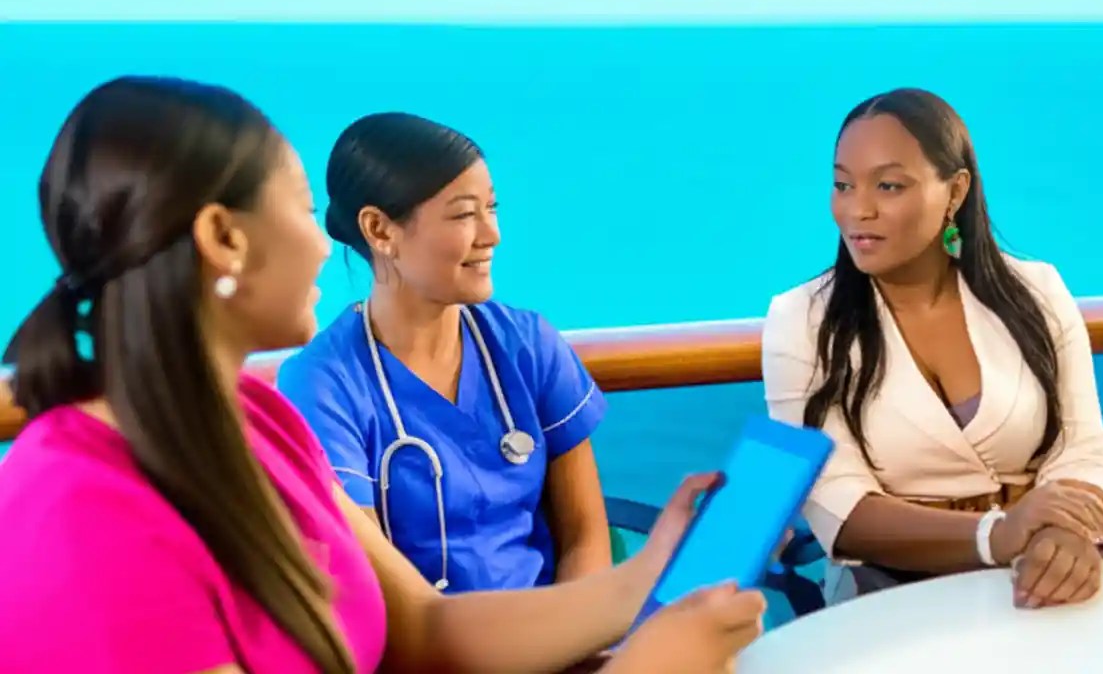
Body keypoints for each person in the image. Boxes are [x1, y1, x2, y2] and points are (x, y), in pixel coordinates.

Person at [0, 76, 764, 673]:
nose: (323, 241)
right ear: (223, 237)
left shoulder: (261, 425)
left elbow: (424, 632)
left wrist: (649, 582)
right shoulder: (83, 507)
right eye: (302, 209)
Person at [761, 88, 1103, 610]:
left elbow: (1083, 449)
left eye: (888, 185)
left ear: (955, 192)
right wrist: (998, 535)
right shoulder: (801, 321)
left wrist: (1063, 535)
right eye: (843, 184)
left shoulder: (1037, 291)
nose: (857, 210)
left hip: (1046, 575)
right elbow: (838, 510)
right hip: (890, 597)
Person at [275, 112, 611, 593]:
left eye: (492, 209)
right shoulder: (322, 385)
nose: (491, 234)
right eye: (463, 214)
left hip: (563, 634)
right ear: (380, 229)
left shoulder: (527, 345)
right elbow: (369, 588)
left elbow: (586, 537)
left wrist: (580, 640)